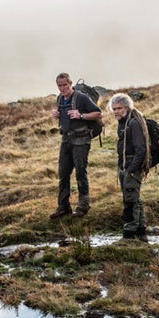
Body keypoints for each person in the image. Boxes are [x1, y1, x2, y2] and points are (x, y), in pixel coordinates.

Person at [49, 73, 102, 219]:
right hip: (66, 139)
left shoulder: (81, 98)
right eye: (59, 86)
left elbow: (98, 114)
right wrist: (57, 115)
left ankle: (83, 206)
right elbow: (64, 116)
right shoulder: (59, 98)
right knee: (63, 173)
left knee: (80, 172)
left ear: (70, 83)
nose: (62, 88)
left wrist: (81, 115)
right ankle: (63, 207)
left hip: (81, 139)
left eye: (65, 85)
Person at [109, 93, 152, 241]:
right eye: (114, 109)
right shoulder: (123, 122)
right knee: (135, 198)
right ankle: (141, 232)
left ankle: (129, 234)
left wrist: (131, 170)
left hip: (131, 166)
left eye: (119, 108)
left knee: (130, 199)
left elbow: (141, 150)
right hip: (125, 165)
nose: (116, 111)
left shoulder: (133, 123)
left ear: (127, 107)